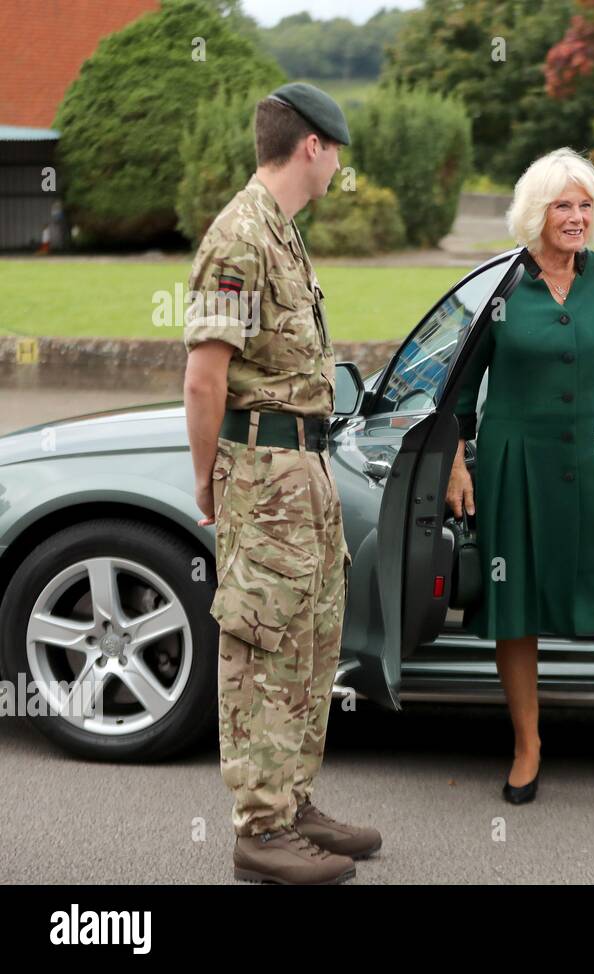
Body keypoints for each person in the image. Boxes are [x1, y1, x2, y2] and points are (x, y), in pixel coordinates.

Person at [183, 82, 380, 884]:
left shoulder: (281, 234)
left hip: (303, 469)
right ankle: (258, 831)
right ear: (313, 147)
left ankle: (292, 804)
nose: (338, 167)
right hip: (264, 473)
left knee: (306, 643)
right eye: (337, 152)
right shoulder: (240, 237)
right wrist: (209, 482)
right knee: (263, 646)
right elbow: (205, 380)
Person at [446, 148, 594, 806]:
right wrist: (458, 459)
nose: (577, 217)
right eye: (563, 206)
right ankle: (528, 749)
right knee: (515, 609)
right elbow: (460, 391)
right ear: (536, 213)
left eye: (586, 205)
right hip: (514, 461)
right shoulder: (501, 284)